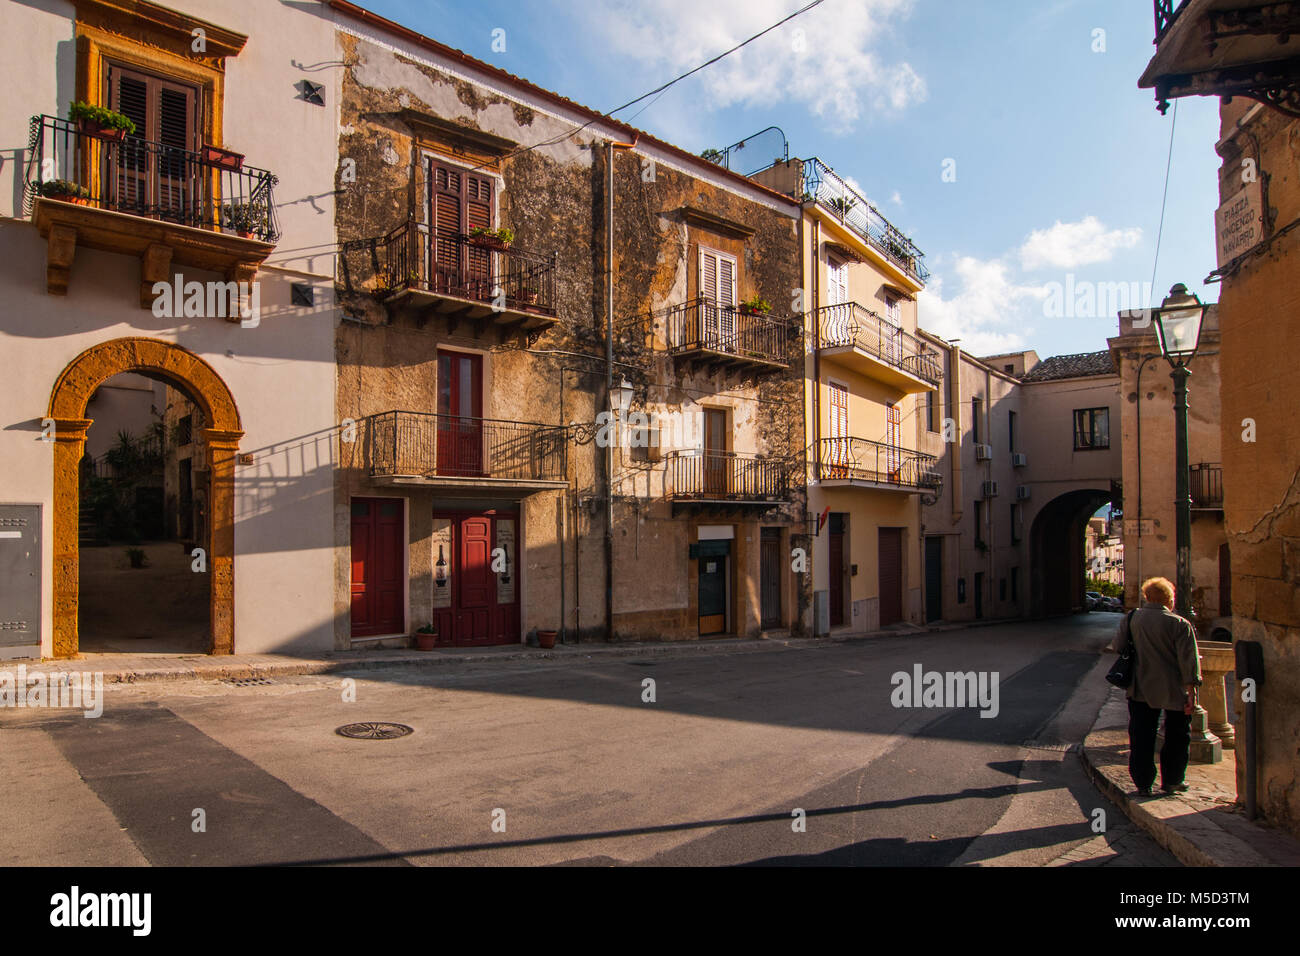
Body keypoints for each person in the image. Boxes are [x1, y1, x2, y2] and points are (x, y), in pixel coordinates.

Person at [1110, 576, 1202, 796]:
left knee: (1141, 736)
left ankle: (1143, 783)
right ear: (1169, 600)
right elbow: (1189, 662)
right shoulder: (1179, 624)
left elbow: (1118, 646)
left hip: (1140, 687)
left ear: (1147, 597)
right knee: (1177, 736)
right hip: (1173, 689)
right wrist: (1192, 693)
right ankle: (1172, 780)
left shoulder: (1132, 619)